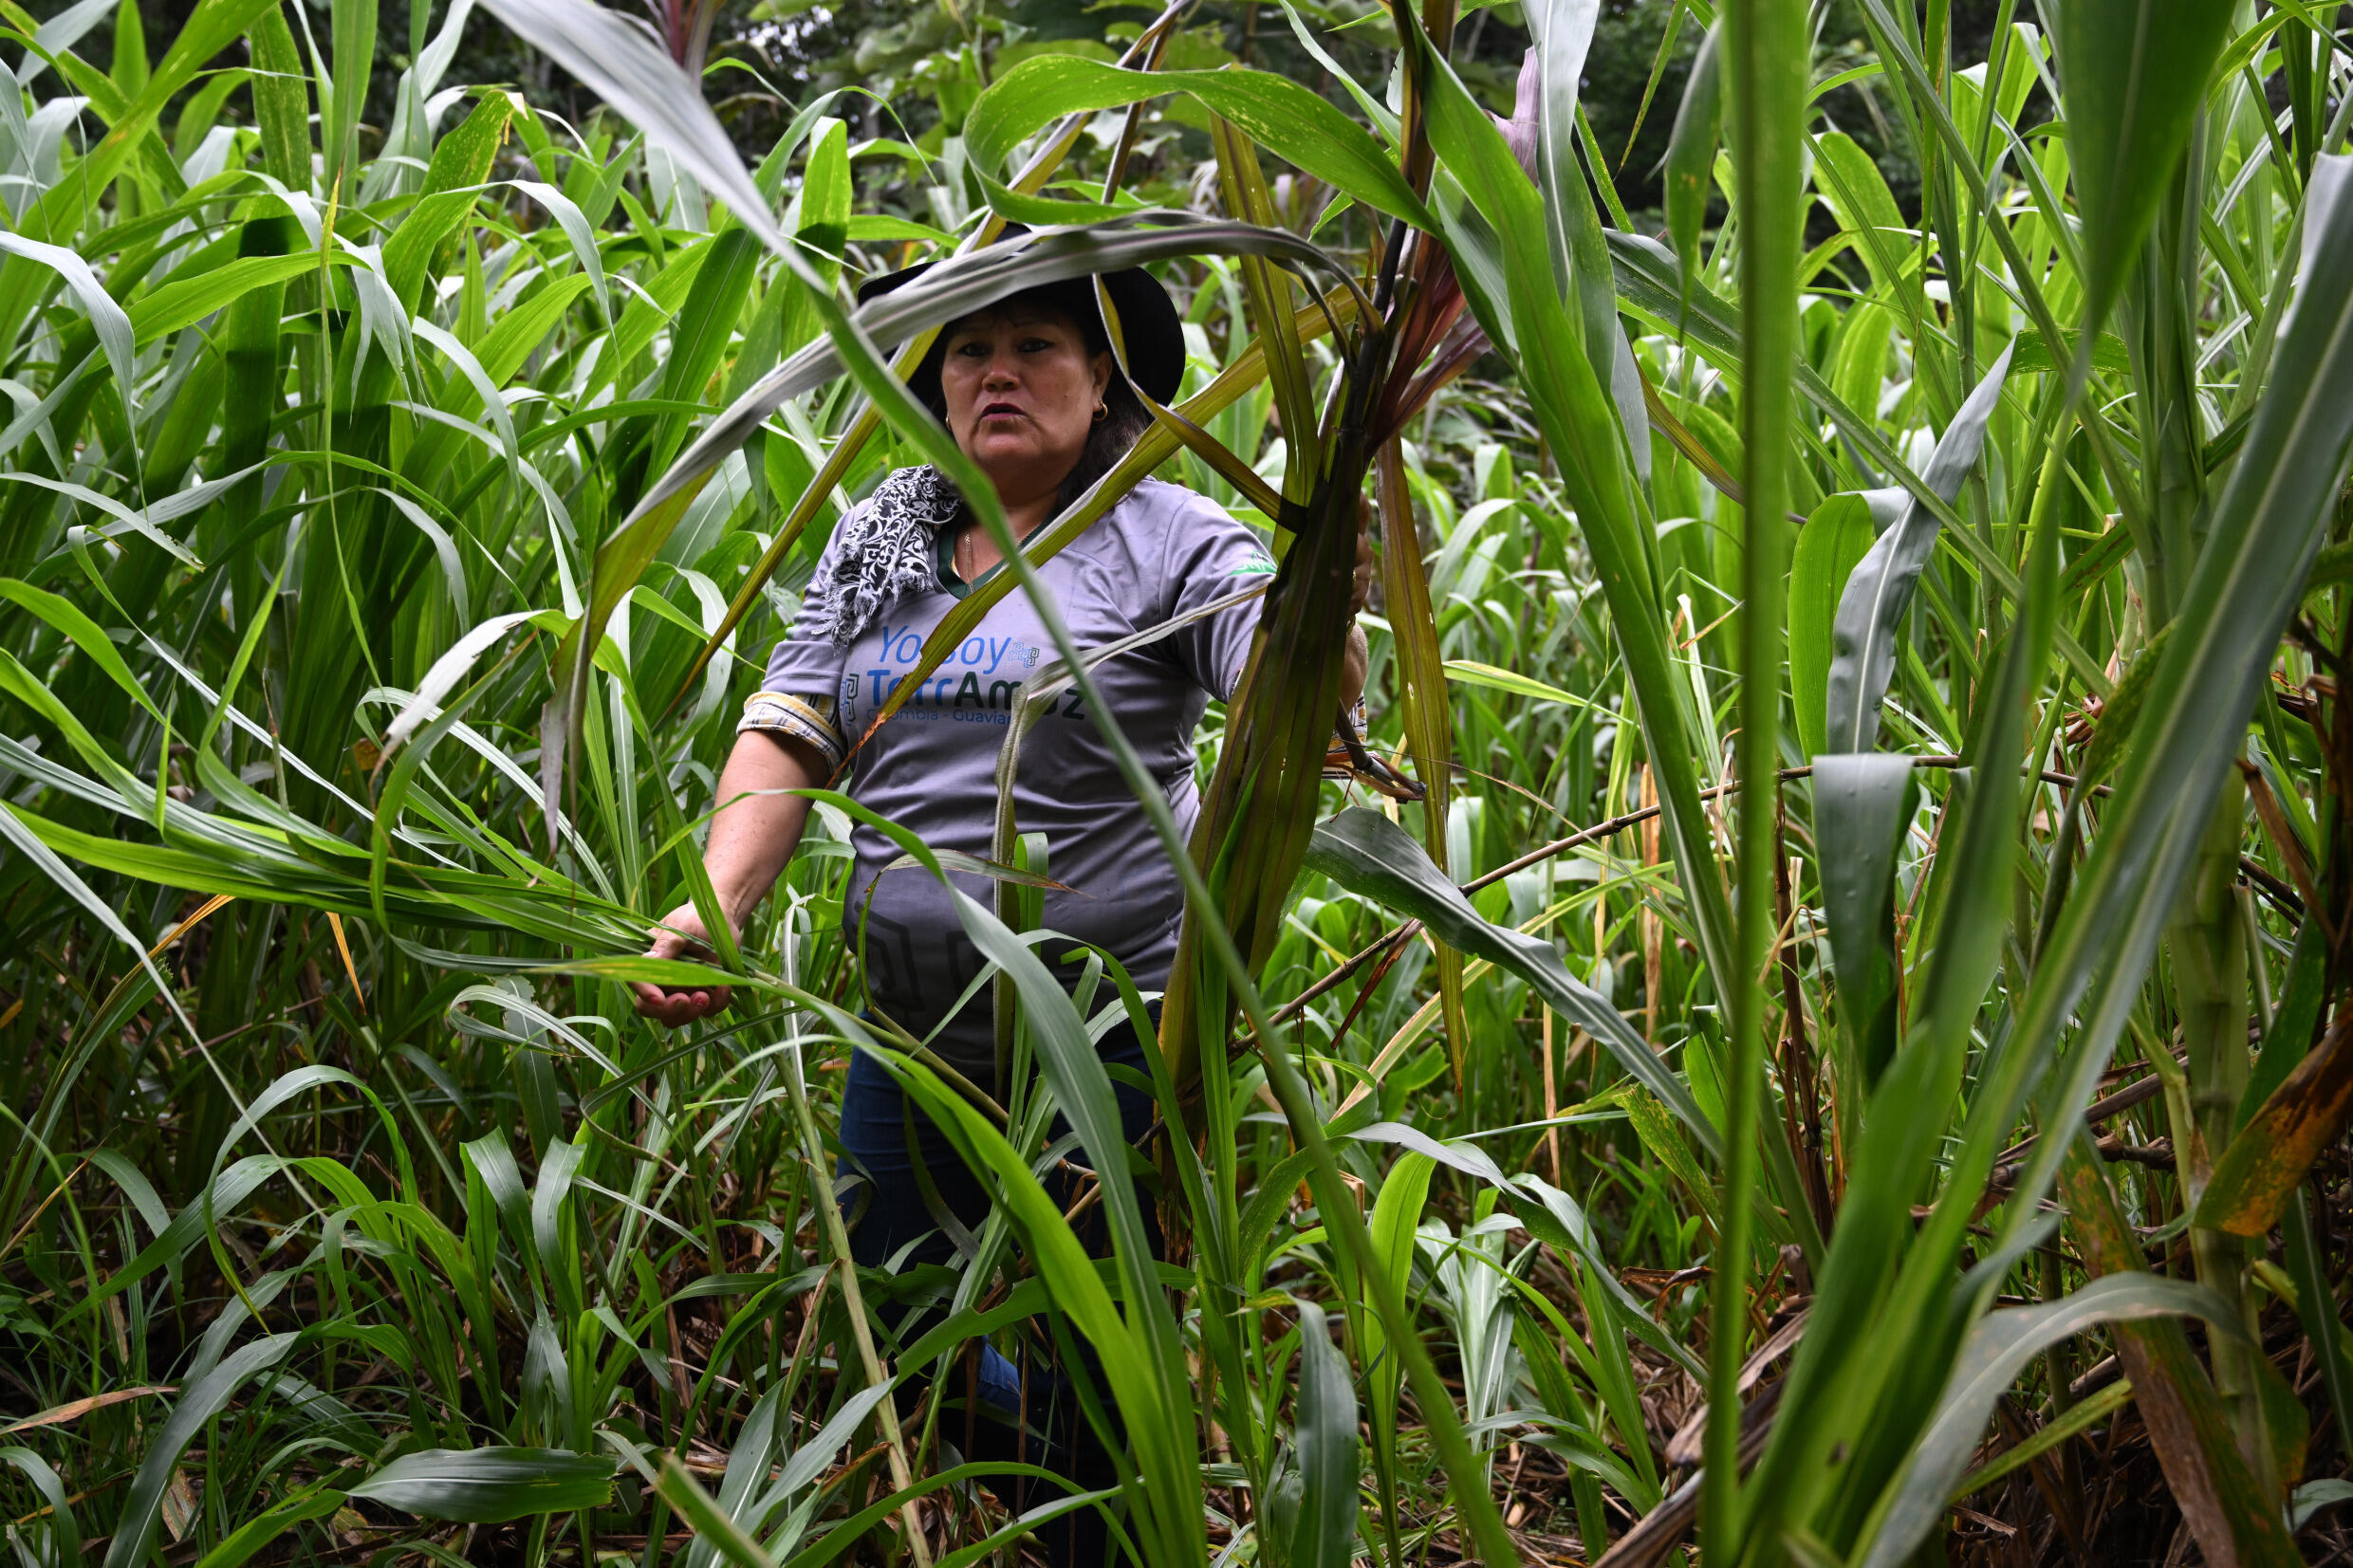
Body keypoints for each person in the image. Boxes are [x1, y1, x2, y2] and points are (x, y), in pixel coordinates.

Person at [630, 238, 1368, 1564]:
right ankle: (1062, 1499)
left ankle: (1114, 1531)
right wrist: (719, 902)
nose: (997, 373)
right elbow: (792, 732)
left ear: (1105, 374)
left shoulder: (1168, 533)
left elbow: (1277, 667)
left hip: (1110, 1038)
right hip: (909, 1039)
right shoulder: (881, 542)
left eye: (1036, 345)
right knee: (905, 1328)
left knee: (1099, 1358)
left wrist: (1318, 633)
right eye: (969, 350)